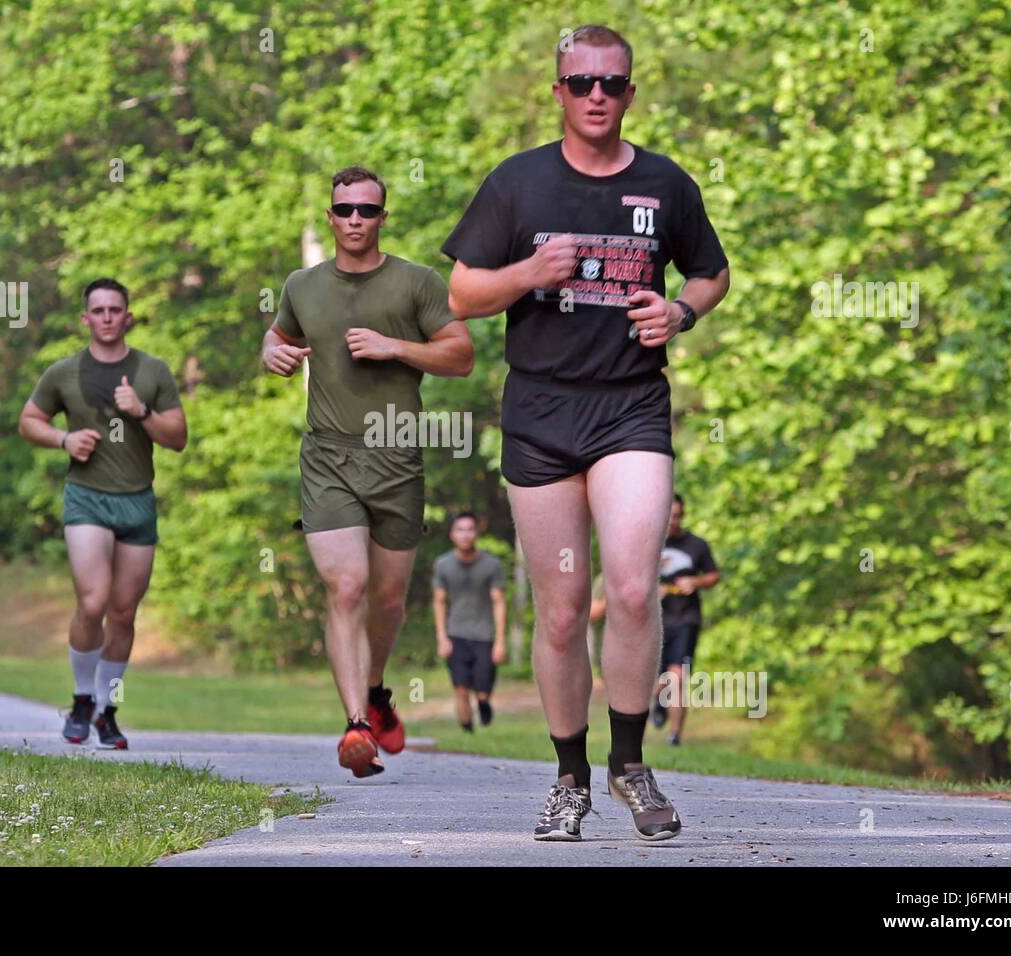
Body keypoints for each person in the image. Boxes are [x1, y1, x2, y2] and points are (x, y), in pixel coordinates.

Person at [443, 24, 730, 841]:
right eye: (581, 83)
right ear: (559, 91)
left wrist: (679, 311)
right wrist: (529, 274)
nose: (596, 95)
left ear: (631, 92)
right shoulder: (518, 183)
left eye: (612, 83)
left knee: (634, 589)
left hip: (630, 409)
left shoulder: (664, 183)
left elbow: (712, 272)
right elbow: (462, 295)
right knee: (564, 609)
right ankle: (569, 778)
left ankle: (631, 764)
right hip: (540, 415)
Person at [261, 166, 474, 777]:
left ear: (384, 217)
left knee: (387, 598)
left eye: (367, 210)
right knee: (347, 586)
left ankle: (377, 692)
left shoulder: (417, 282)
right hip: (327, 456)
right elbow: (276, 337)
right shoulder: (303, 285)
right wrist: (271, 352)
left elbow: (461, 356)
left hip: (397, 454)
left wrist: (396, 347)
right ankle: (356, 725)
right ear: (330, 216)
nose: (355, 219)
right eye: (344, 208)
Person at [18, 278, 187, 750]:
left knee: (123, 612)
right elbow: (29, 421)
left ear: (128, 317)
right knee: (92, 603)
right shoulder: (64, 373)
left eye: (116, 309)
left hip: (137, 501)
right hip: (86, 497)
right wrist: (64, 440)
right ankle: (79, 700)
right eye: (99, 310)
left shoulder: (152, 371)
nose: (108, 317)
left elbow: (177, 438)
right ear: (86, 319)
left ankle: (107, 711)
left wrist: (142, 412)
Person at [652, 493, 721, 745]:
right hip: (653, 621)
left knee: (678, 677)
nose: (673, 520)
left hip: (685, 619)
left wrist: (695, 581)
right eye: (669, 515)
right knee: (657, 679)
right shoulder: (647, 541)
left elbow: (714, 576)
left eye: (677, 515)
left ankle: (675, 735)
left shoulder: (696, 545)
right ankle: (658, 702)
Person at [433, 511, 507, 731]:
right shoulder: (442, 564)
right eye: (460, 530)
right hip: (455, 634)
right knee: (461, 688)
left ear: (477, 533)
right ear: (452, 534)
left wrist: (500, 641)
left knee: (482, 689)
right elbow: (439, 601)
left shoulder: (491, 565)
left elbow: (499, 602)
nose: (465, 535)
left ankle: (483, 703)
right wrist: (441, 637)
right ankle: (467, 729)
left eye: (469, 530)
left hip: (484, 635)